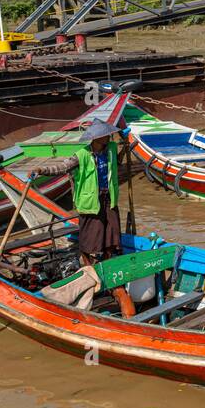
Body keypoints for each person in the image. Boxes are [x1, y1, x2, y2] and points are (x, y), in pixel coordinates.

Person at [71, 119, 134, 316]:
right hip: (90, 202)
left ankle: (106, 262)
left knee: (111, 235)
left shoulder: (111, 149)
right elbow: (65, 166)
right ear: (97, 138)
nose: (109, 137)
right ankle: (89, 267)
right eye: (106, 135)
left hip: (109, 198)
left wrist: (126, 137)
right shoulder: (81, 155)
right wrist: (42, 170)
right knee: (90, 237)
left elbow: (126, 144)